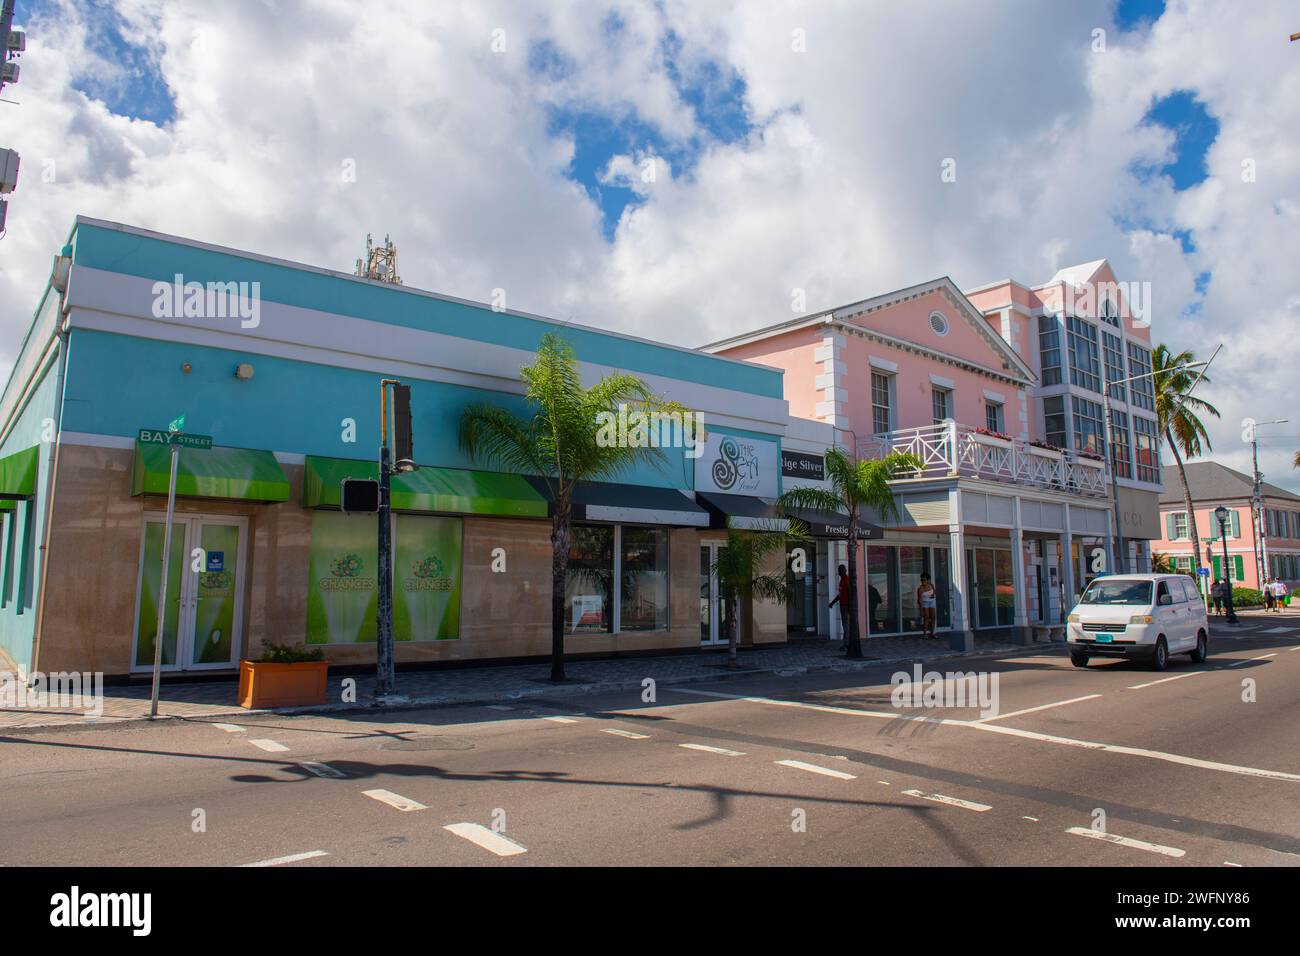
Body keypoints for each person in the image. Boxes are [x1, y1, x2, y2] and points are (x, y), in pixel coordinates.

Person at [828, 564, 850, 649]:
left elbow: (849, 592)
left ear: (844, 571)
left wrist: (850, 605)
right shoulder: (842, 580)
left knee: (846, 624)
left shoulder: (846, 580)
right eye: (839, 570)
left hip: (846, 605)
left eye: (840, 570)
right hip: (843, 604)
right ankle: (846, 643)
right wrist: (832, 603)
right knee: (845, 624)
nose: (839, 572)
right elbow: (840, 595)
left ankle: (847, 643)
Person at [917, 572, 938, 639]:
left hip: (932, 602)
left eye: (924, 580)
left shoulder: (931, 585)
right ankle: (925, 634)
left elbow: (934, 592)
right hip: (925, 603)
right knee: (926, 618)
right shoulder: (920, 589)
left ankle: (933, 633)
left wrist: (932, 595)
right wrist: (921, 610)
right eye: (922, 580)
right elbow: (919, 600)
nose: (923, 581)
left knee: (933, 617)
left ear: (928, 580)